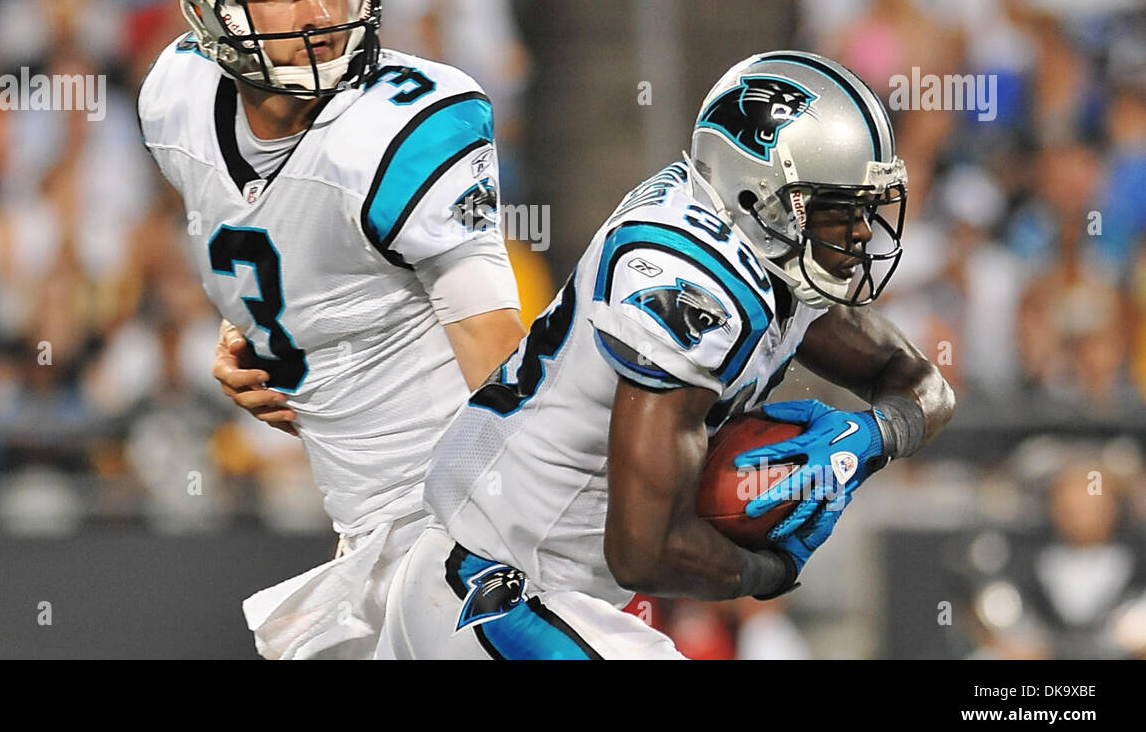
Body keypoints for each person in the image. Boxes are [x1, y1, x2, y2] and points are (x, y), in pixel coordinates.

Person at [375, 51, 956, 659]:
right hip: (493, 588)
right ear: (760, 196)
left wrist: (871, 438)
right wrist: (771, 571)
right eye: (838, 209)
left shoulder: (768, 250)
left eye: (867, 207)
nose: (862, 233)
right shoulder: (692, 281)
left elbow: (920, 381)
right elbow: (642, 552)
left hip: (549, 594)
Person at [137, 0, 526, 659]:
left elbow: (500, 361)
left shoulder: (405, 130)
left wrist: (553, 540)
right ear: (210, 8)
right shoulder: (175, 98)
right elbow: (262, 224)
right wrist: (244, 322)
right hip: (360, 544)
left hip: (474, 534)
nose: (320, 14)